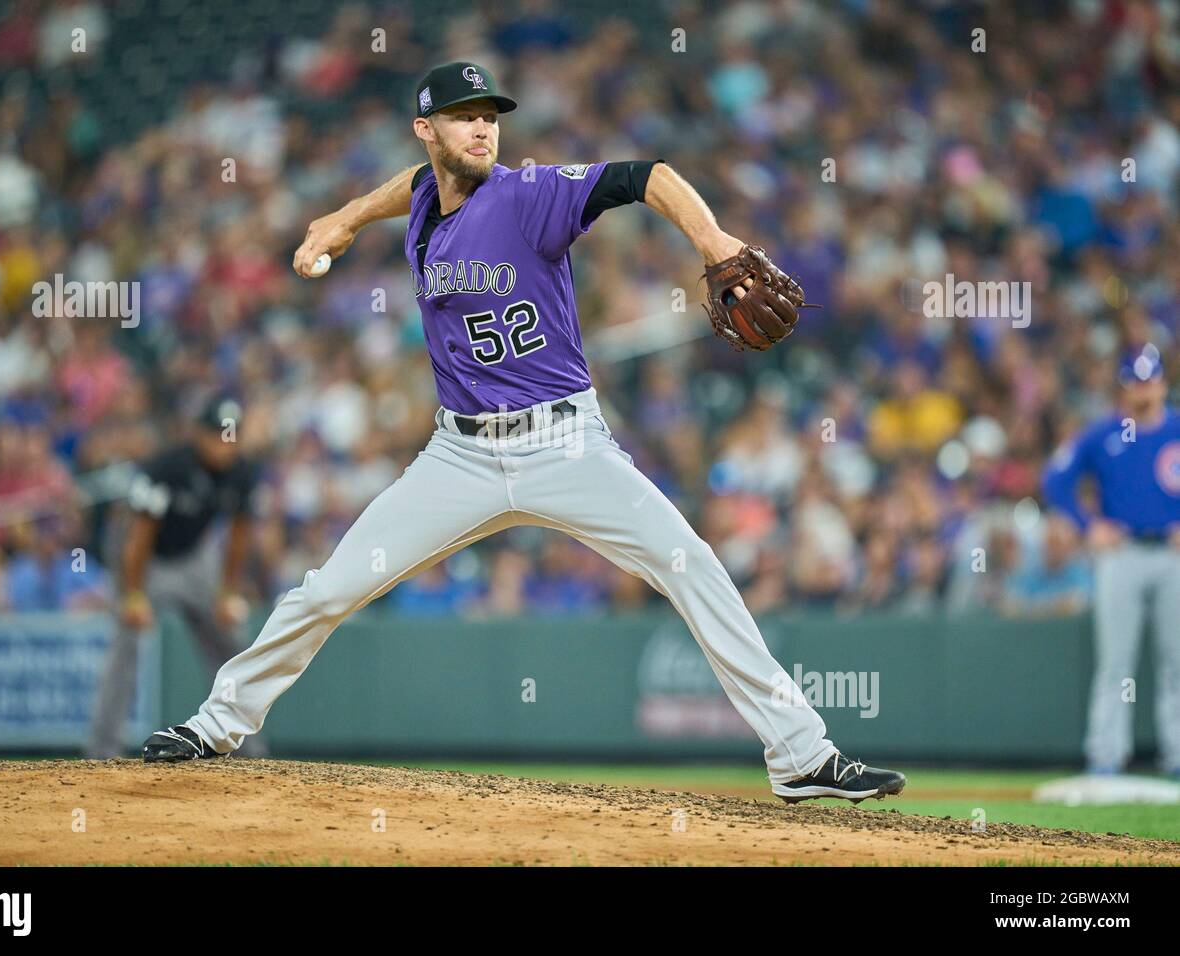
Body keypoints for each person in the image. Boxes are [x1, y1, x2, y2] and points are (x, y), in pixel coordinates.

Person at [141, 62, 904, 804]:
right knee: (329, 588)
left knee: (691, 564)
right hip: (460, 455)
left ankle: (802, 754)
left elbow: (649, 176)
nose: (482, 128)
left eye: (489, 116)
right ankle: (216, 724)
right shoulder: (419, 197)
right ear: (425, 131)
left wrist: (713, 244)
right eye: (464, 117)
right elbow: (404, 188)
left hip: (565, 445)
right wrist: (340, 219)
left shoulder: (529, 194)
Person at [87, 395, 263, 758]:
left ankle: (248, 750)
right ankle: (102, 750)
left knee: (230, 644)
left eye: (231, 434)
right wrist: (133, 594)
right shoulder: (168, 467)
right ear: (199, 434)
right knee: (127, 648)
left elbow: (238, 536)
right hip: (144, 560)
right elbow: (138, 536)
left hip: (194, 559)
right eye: (217, 433)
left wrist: (227, 591)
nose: (224, 443)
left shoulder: (241, 472)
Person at [1042, 345, 1180, 777]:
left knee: (1177, 659)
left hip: (1172, 554)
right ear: (1123, 387)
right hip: (1121, 554)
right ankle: (1106, 754)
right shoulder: (1104, 434)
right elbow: (1055, 479)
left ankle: (1177, 753)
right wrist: (1088, 524)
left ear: (1163, 382)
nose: (1145, 390)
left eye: (1151, 380)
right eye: (1136, 382)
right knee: (1116, 661)